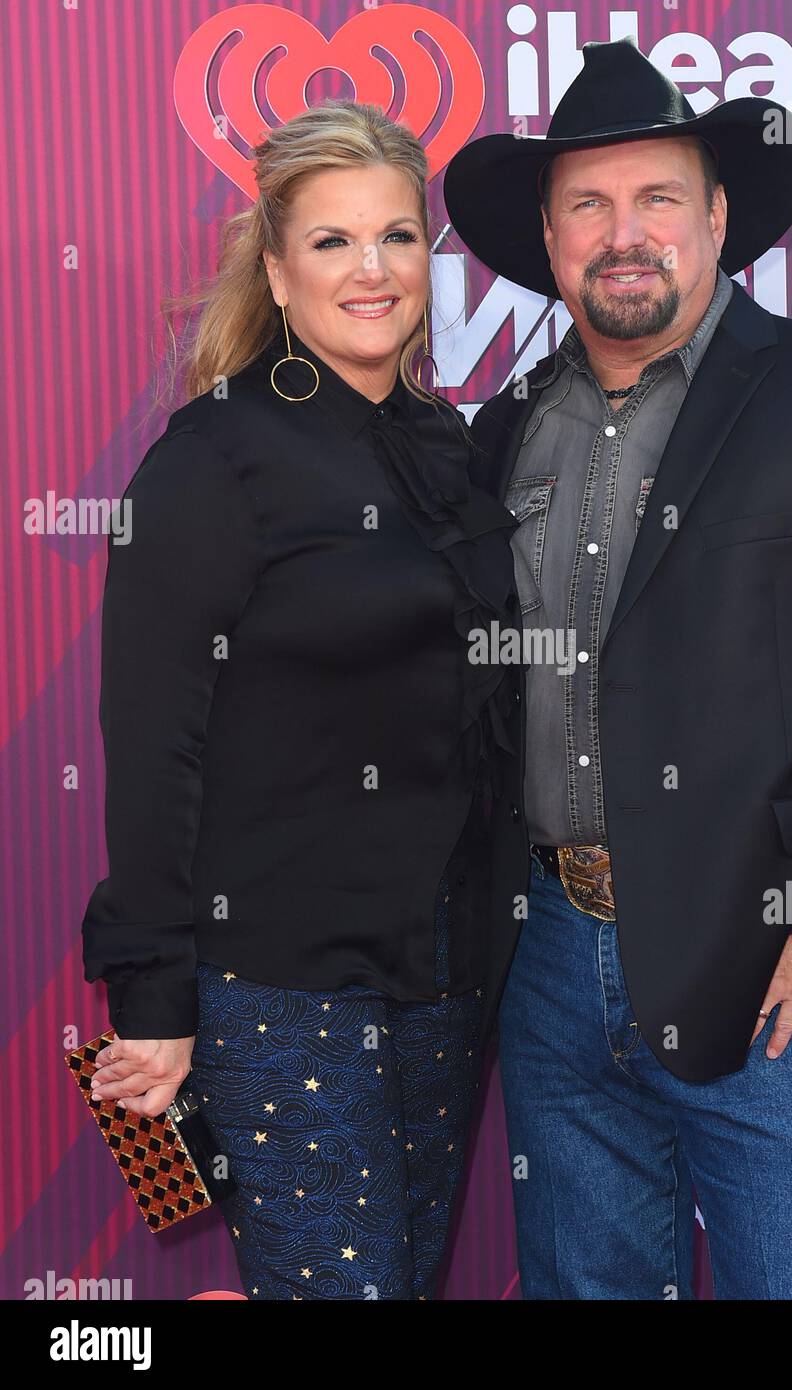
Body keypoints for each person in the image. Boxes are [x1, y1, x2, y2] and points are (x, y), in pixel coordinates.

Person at [443, 38, 792, 1299]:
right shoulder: (506, 431)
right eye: (589, 203)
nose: (623, 232)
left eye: (657, 198)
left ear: (719, 218)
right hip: (544, 970)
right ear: (547, 232)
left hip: (769, 975)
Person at [81, 99, 529, 1300]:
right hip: (282, 978)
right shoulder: (213, 459)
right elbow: (154, 744)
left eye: (398, 236)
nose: (372, 270)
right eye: (332, 242)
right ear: (277, 272)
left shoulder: (444, 440)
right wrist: (155, 999)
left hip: (442, 967)